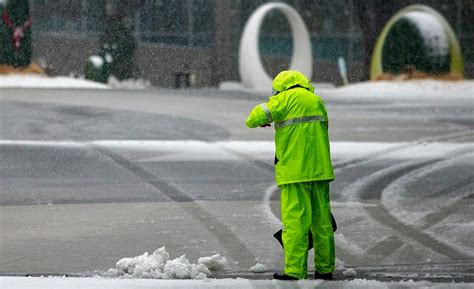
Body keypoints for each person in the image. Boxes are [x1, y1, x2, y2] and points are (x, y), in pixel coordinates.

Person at [245, 70, 335, 280]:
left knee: (296, 222)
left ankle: (295, 270)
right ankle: (325, 268)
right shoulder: (316, 100)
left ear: (281, 87)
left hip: (295, 172)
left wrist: (265, 119)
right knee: (322, 222)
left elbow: (253, 117)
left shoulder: (283, 100)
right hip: (320, 170)